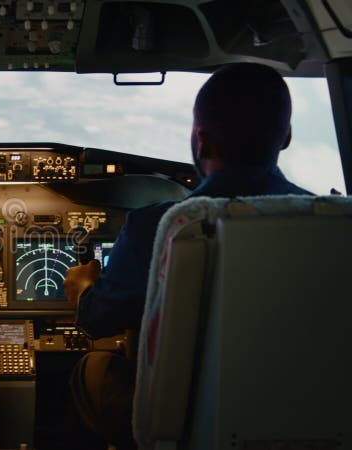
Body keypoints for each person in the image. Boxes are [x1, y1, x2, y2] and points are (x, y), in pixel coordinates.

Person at [62, 63, 312, 449]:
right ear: (287, 136)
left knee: (93, 365)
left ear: (202, 141)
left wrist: (83, 289)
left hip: (187, 427)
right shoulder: (333, 224)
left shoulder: (161, 226)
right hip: (306, 416)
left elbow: (98, 320)